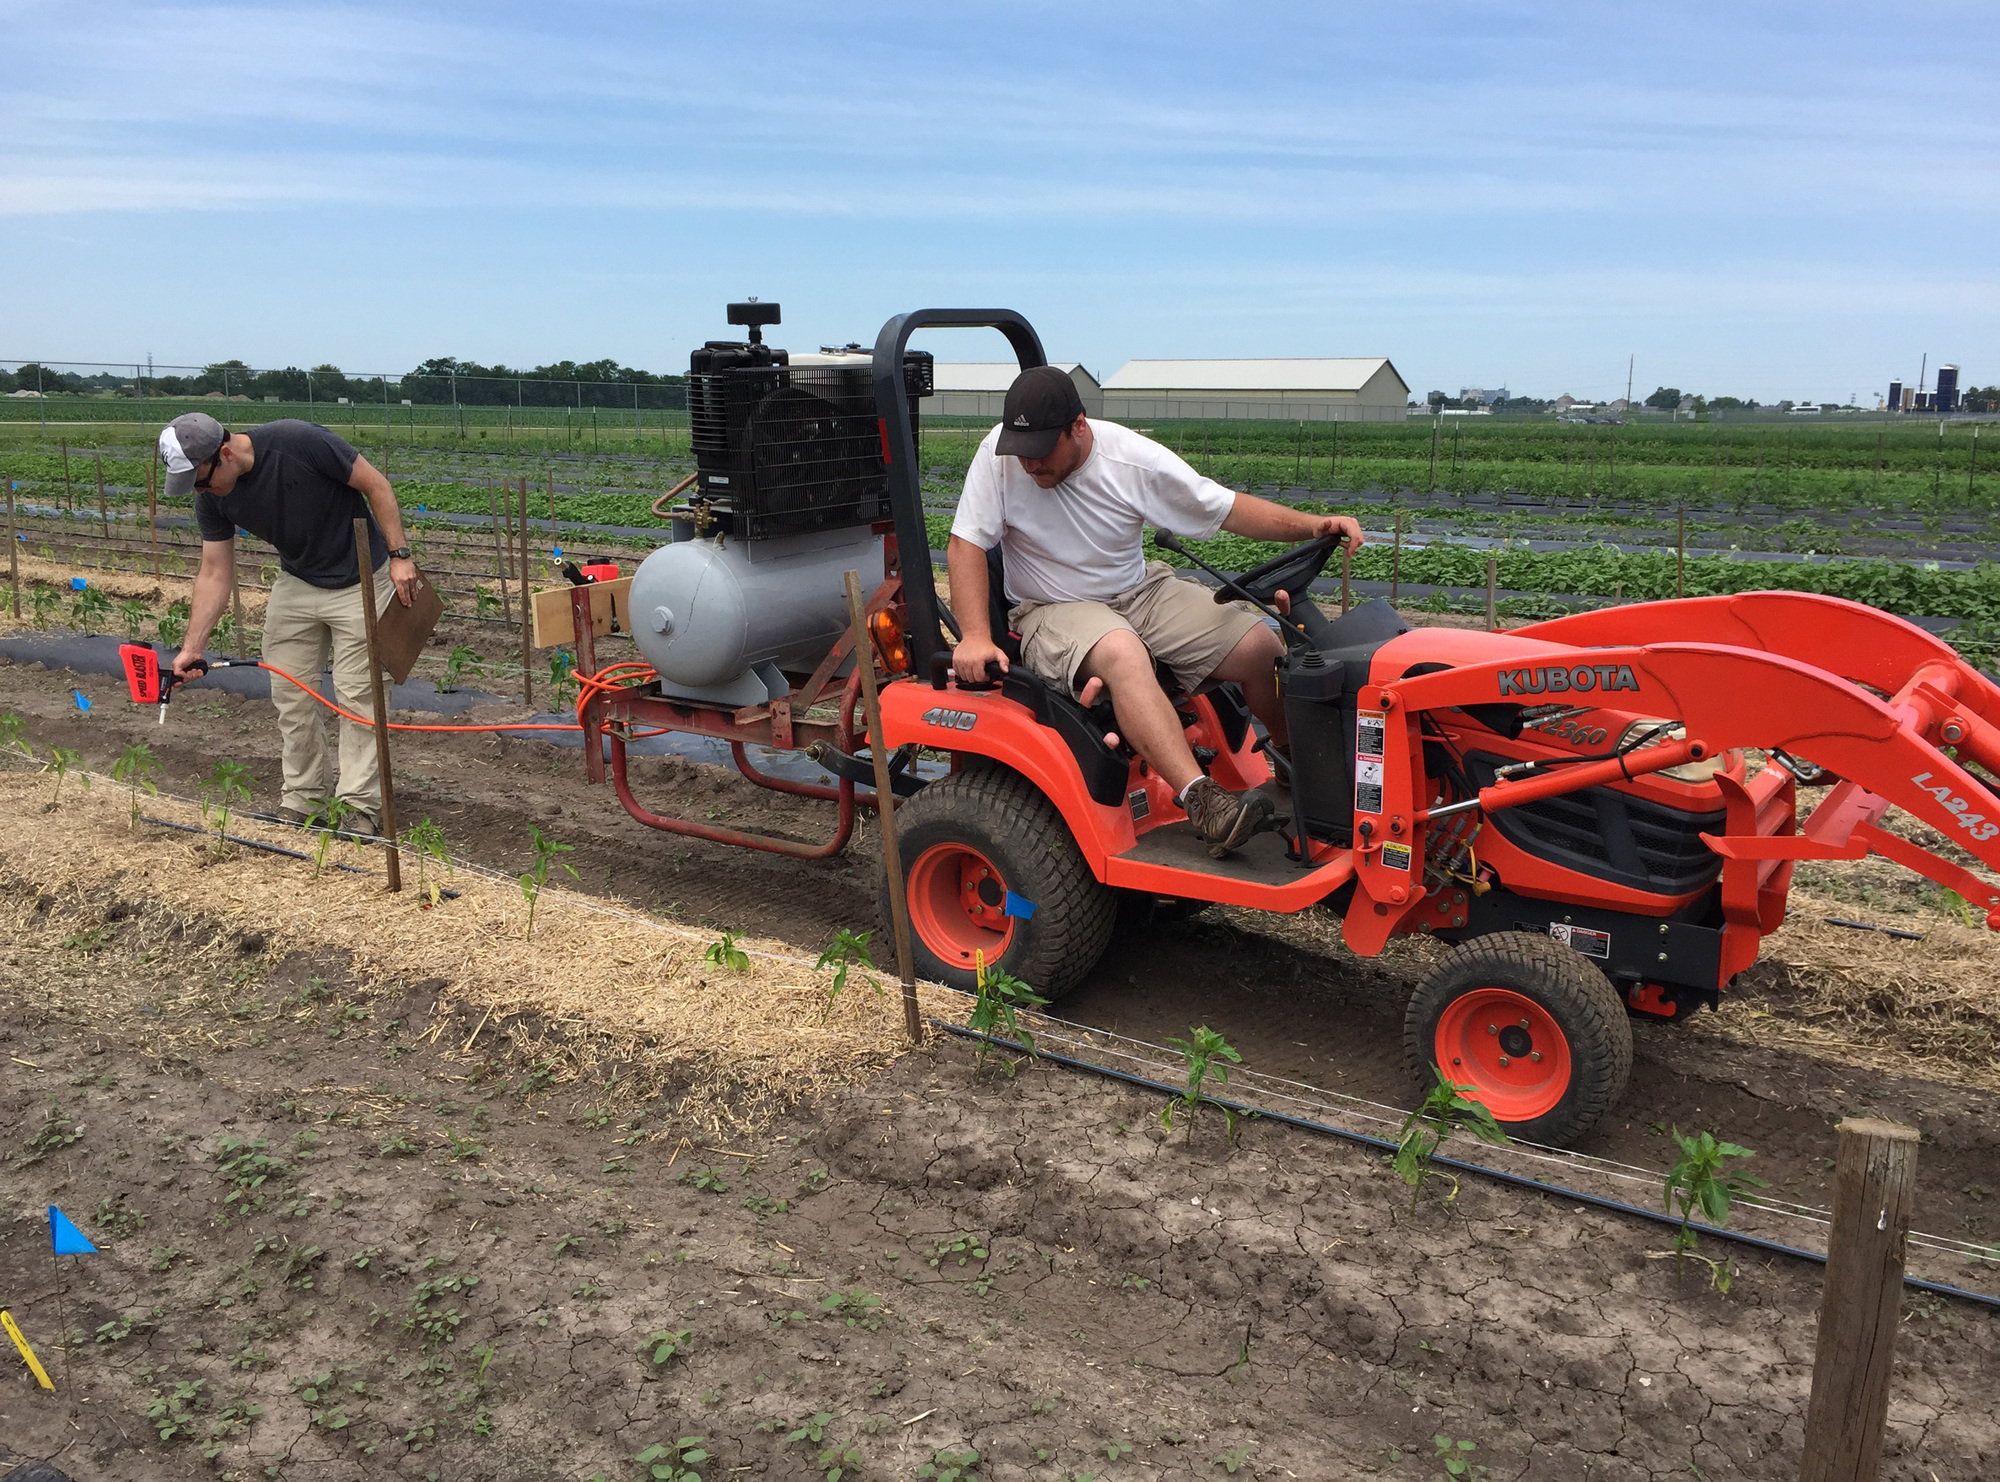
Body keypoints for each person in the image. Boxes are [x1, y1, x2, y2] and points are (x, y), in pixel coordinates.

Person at [948, 366, 1363, 855]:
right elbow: (966, 544)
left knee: (1259, 645)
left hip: (1135, 591)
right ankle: (1204, 801)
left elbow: (1224, 508)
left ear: (1078, 426)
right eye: (1022, 451)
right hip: (1050, 606)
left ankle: (1298, 767)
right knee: (1124, 654)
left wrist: (1313, 525)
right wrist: (975, 634)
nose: (1029, 464)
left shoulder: (1132, 460)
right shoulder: (999, 456)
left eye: (1042, 450)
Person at [157, 411, 418, 836]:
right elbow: (214, 572)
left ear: (224, 453)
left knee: (359, 697)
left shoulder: (299, 442)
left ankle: (359, 808)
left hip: (362, 575)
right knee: (290, 694)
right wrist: (192, 647)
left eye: (202, 481)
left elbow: (377, 485)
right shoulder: (212, 498)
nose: (201, 492)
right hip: (298, 579)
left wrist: (400, 557)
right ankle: (304, 799)